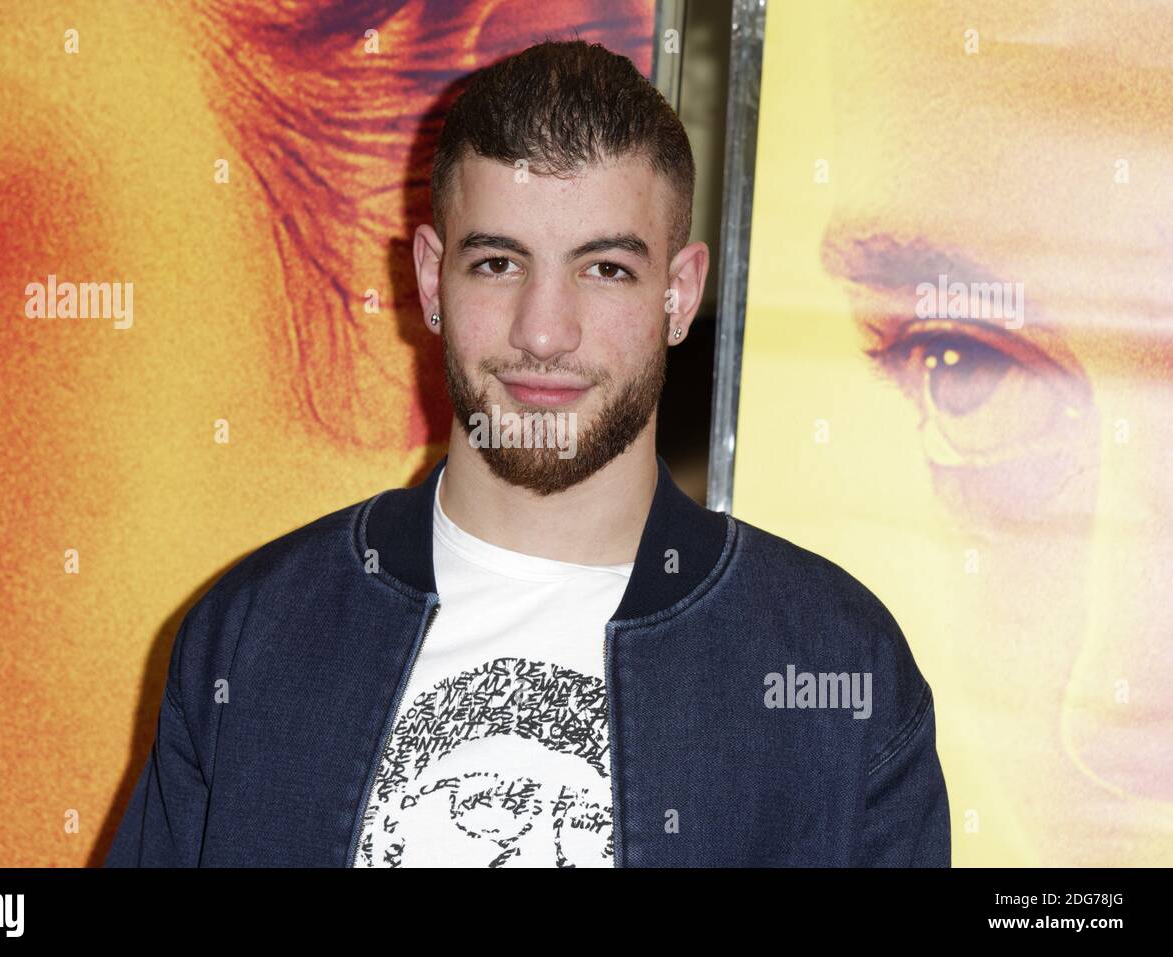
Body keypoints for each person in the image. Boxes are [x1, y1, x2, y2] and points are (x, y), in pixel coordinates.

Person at [105, 38, 950, 867]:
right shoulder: (254, 635)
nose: (544, 331)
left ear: (679, 294)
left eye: (607, 269)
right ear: (432, 279)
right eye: (500, 262)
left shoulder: (839, 668)